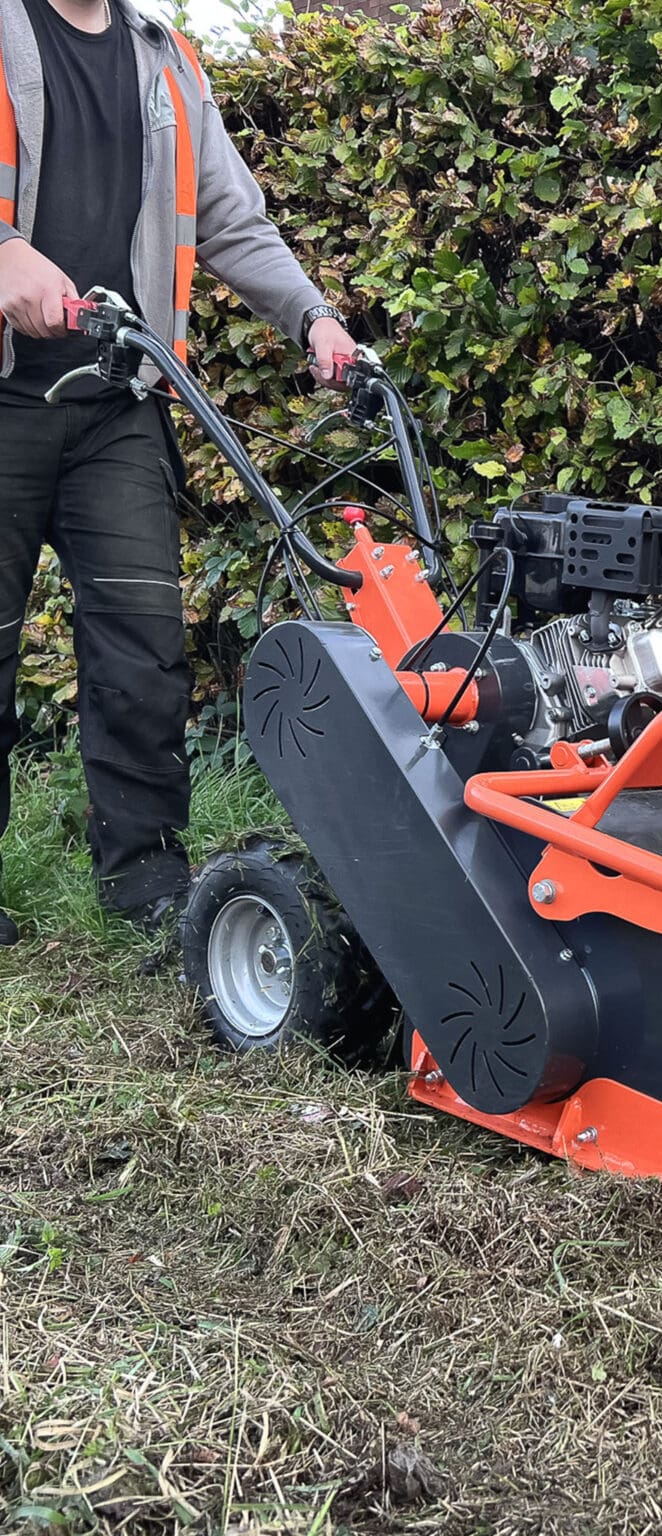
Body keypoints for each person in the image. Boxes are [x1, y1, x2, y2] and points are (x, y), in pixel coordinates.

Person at [0, 0, 354, 949]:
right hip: (2, 393)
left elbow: (234, 222)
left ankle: (147, 885)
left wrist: (314, 319)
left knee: (143, 644)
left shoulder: (168, 61)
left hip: (117, 397)